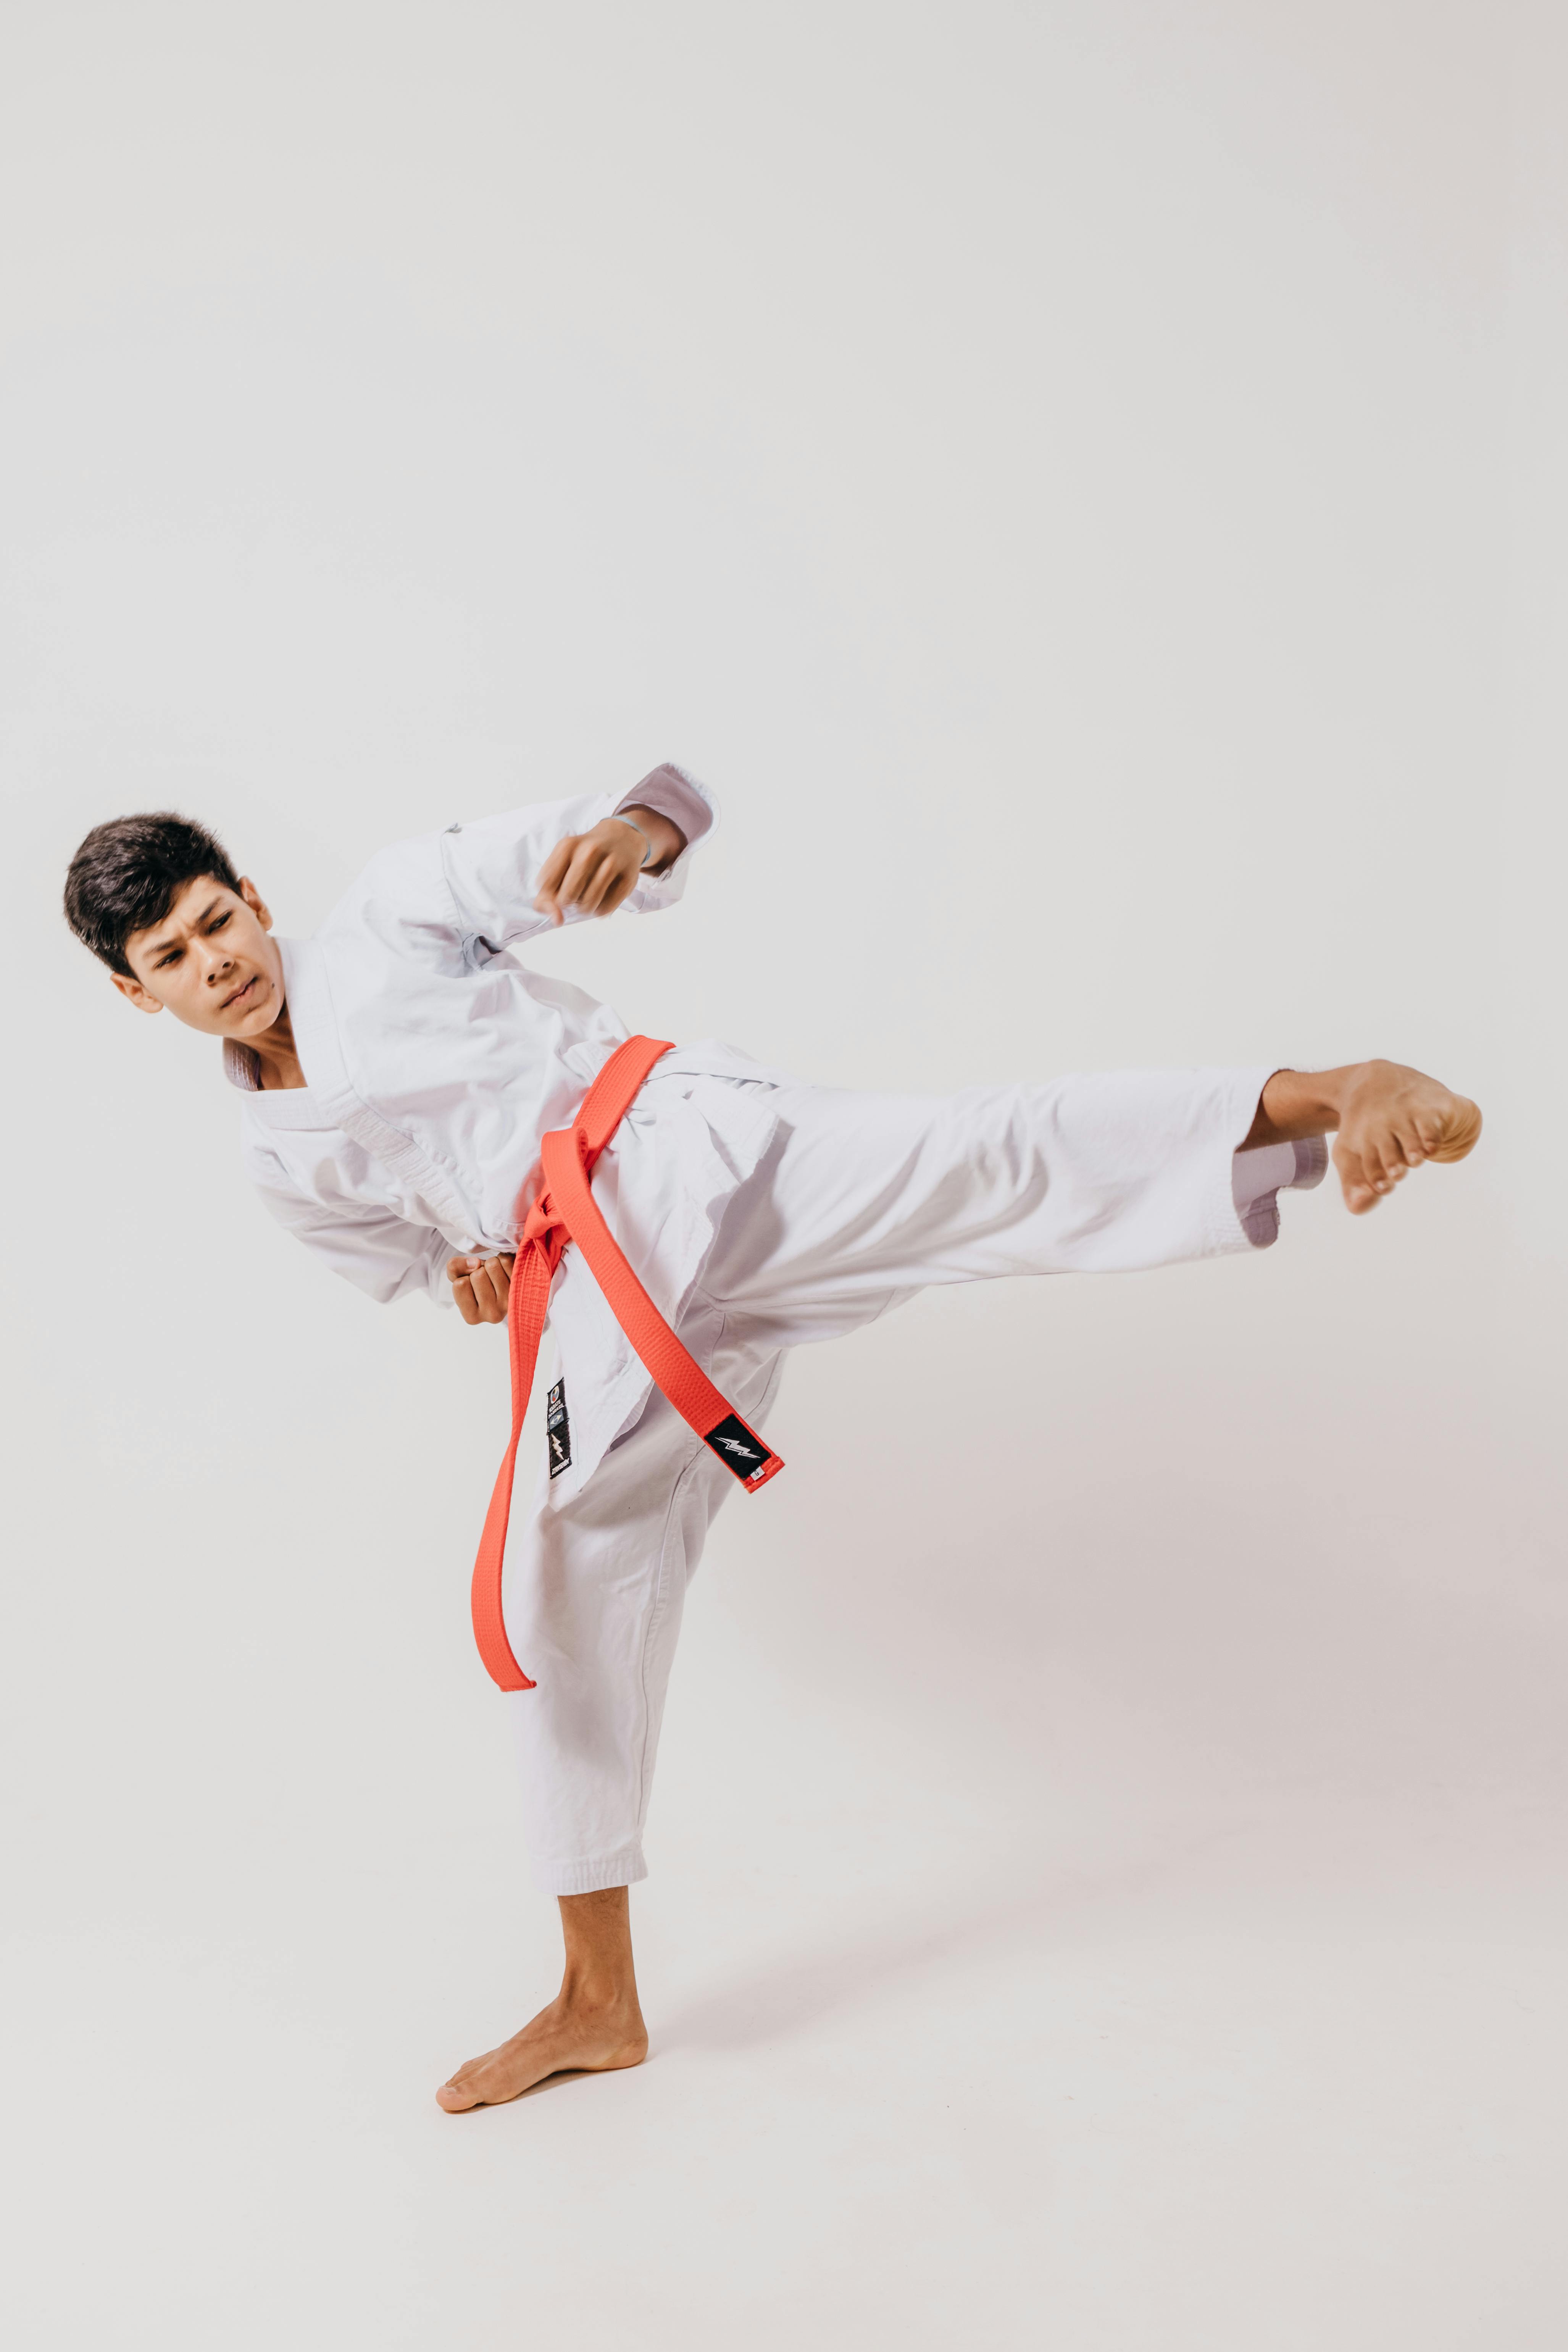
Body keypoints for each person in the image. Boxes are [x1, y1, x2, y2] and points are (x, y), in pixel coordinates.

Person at [63, 764, 1483, 2113]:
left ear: (252, 895)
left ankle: (1334, 1090)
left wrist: (631, 836)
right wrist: (469, 1275)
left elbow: (657, 810)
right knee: (551, 1598)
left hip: (690, 1161)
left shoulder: (391, 911)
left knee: (973, 1159)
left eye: (218, 922)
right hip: (595, 1301)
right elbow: (420, 1265)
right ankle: (596, 1998)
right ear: (137, 993)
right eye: (174, 959)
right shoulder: (276, 1157)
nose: (216, 963)